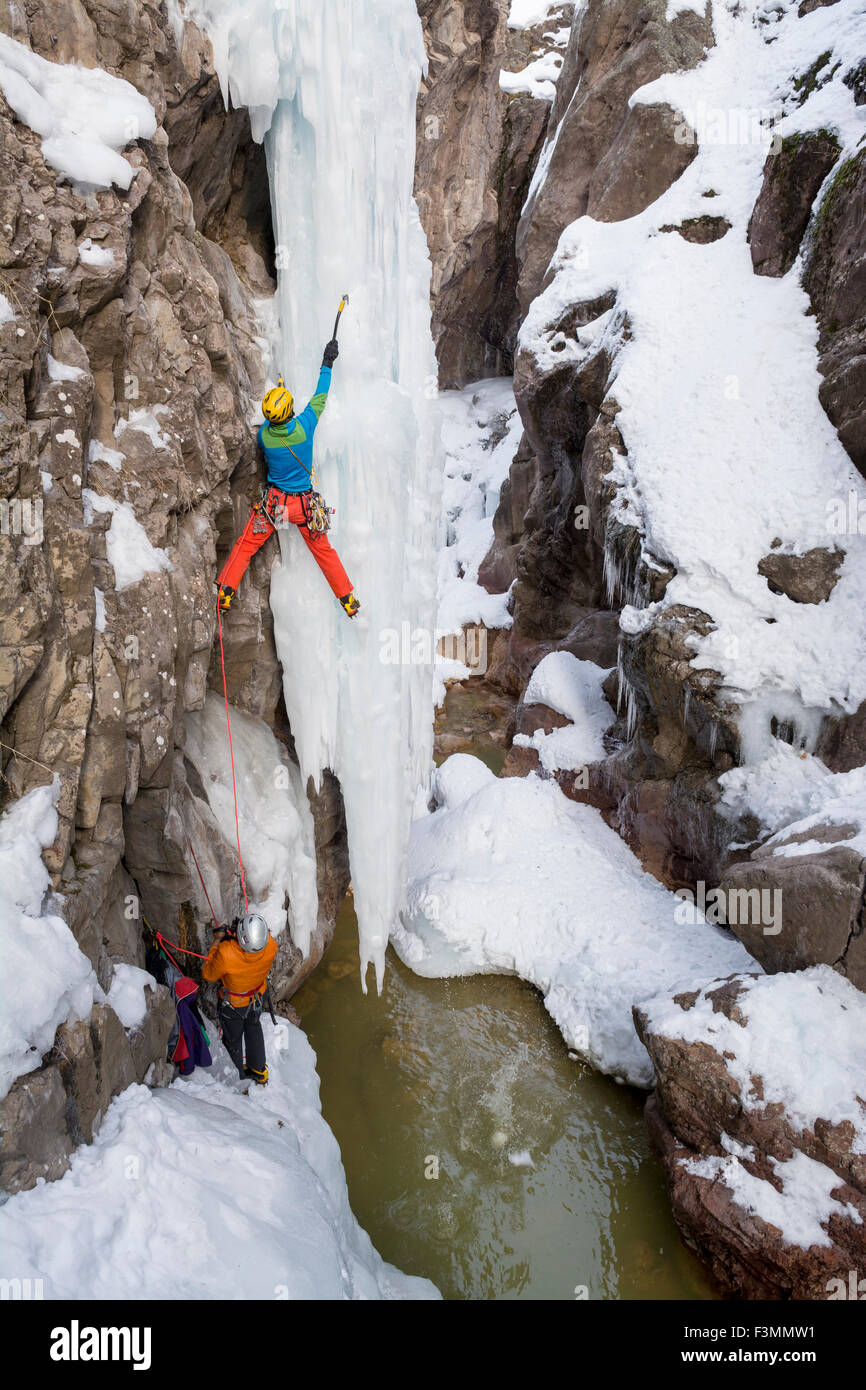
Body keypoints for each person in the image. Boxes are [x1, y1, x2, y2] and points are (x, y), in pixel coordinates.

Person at [216, 337, 360, 618]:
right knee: (324, 552)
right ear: (290, 412)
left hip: (276, 506)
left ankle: (225, 592)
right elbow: (320, 397)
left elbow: (271, 424)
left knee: (246, 545)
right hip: (304, 507)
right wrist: (327, 362)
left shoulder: (265, 436)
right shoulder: (305, 427)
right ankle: (347, 599)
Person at [202, 912, 278, 1086]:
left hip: (233, 1006)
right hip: (257, 997)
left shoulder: (226, 953)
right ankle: (259, 1070)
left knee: (233, 1039)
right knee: (254, 1029)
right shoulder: (271, 945)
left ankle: (237, 1079)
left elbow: (208, 974)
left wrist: (217, 940)